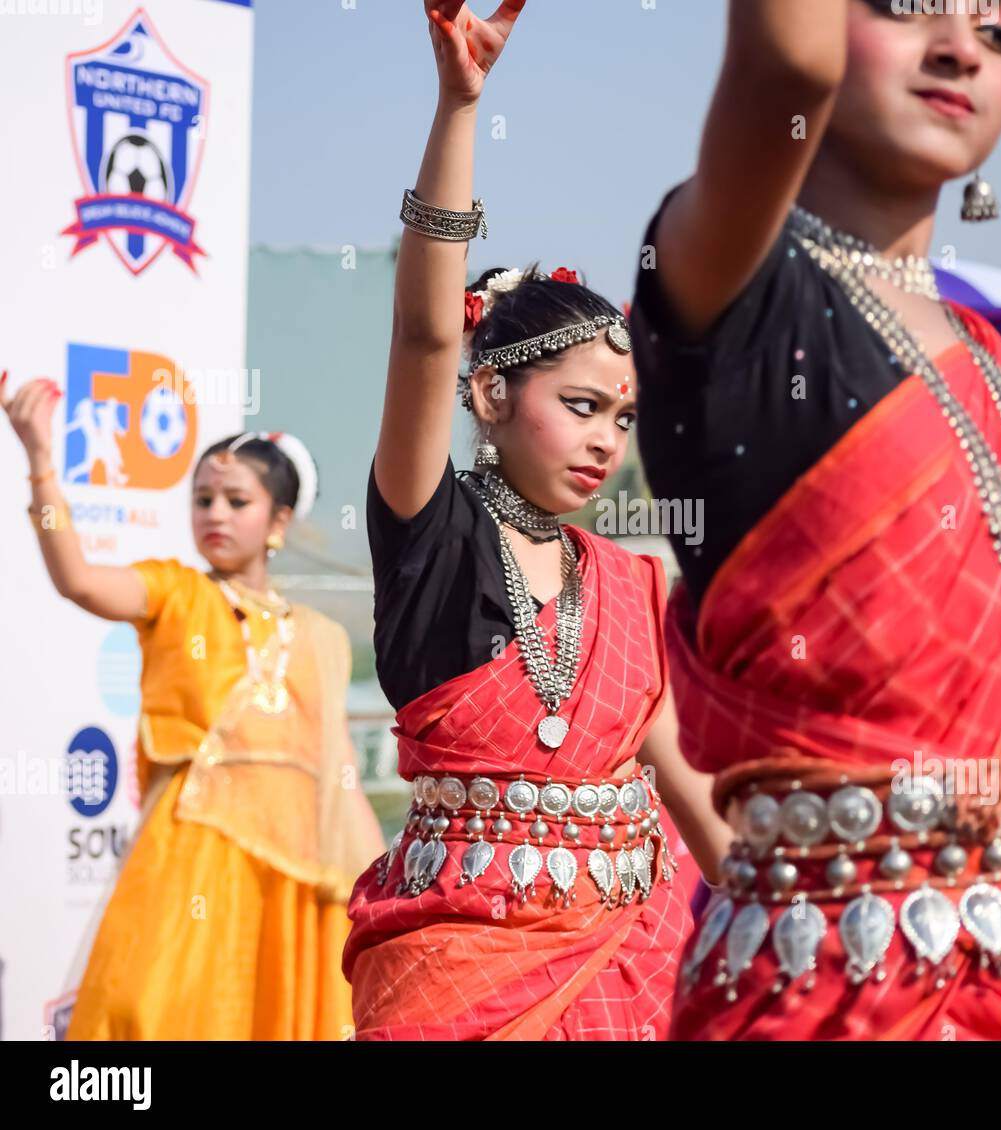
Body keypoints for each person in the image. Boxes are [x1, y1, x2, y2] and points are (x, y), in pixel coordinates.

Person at [628, 0, 1001, 1039]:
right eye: (906, 7)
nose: (960, 46)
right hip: (848, 985)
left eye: (998, 33)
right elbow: (784, 66)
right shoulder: (737, 296)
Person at [341, 0, 727, 1041]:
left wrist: (790, 921)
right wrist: (459, 104)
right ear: (490, 396)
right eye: (583, 405)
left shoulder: (630, 584)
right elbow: (426, 335)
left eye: (625, 417)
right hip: (453, 980)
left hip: (626, 975)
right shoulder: (431, 530)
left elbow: (681, 773)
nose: (608, 439)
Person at [2, 368, 382, 1038]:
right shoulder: (176, 594)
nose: (214, 514)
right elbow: (80, 580)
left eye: (236, 501)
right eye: (202, 499)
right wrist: (39, 459)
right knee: (150, 1011)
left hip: (297, 863)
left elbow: (339, 772)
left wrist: (375, 883)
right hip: (192, 845)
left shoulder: (319, 637)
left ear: (279, 520)